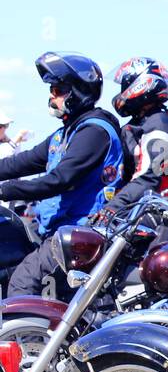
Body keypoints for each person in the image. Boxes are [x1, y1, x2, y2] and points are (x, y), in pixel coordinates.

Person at [0, 53, 124, 298]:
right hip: (57, 230)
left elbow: (60, 180)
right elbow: (19, 163)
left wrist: (5, 190)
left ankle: (25, 337)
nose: (51, 96)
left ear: (78, 91)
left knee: (22, 282)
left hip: (83, 232)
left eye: (57, 90)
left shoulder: (95, 132)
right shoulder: (65, 134)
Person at [101, 57, 168, 212]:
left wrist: (110, 209)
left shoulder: (161, 123)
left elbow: (148, 178)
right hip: (139, 208)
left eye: (125, 86)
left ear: (142, 84)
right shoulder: (143, 123)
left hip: (157, 213)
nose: (121, 94)